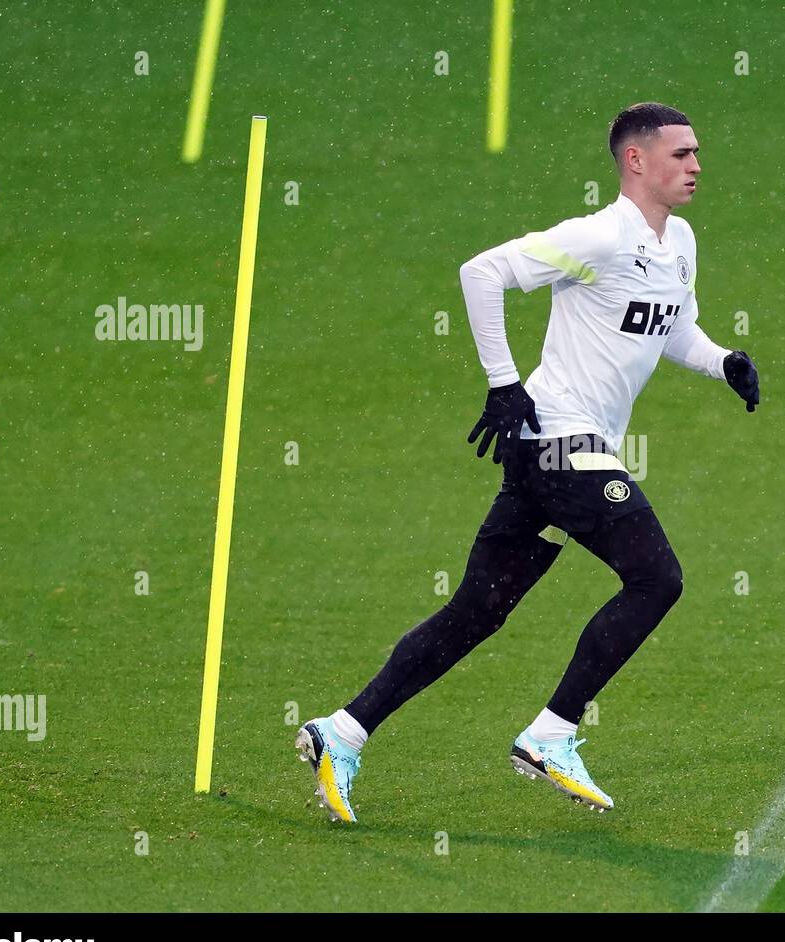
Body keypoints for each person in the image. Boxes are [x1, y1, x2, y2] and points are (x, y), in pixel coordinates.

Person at [296, 102, 760, 821]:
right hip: (561, 443)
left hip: (549, 451)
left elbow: (671, 327)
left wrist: (721, 362)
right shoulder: (598, 237)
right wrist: (502, 382)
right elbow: (482, 272)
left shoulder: (680, 243)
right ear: (636, 161)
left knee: (476, 611)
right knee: (656, 577)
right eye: (682, 154)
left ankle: (341, 731)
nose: (696, 165)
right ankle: (553, 733)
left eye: (697, 153)